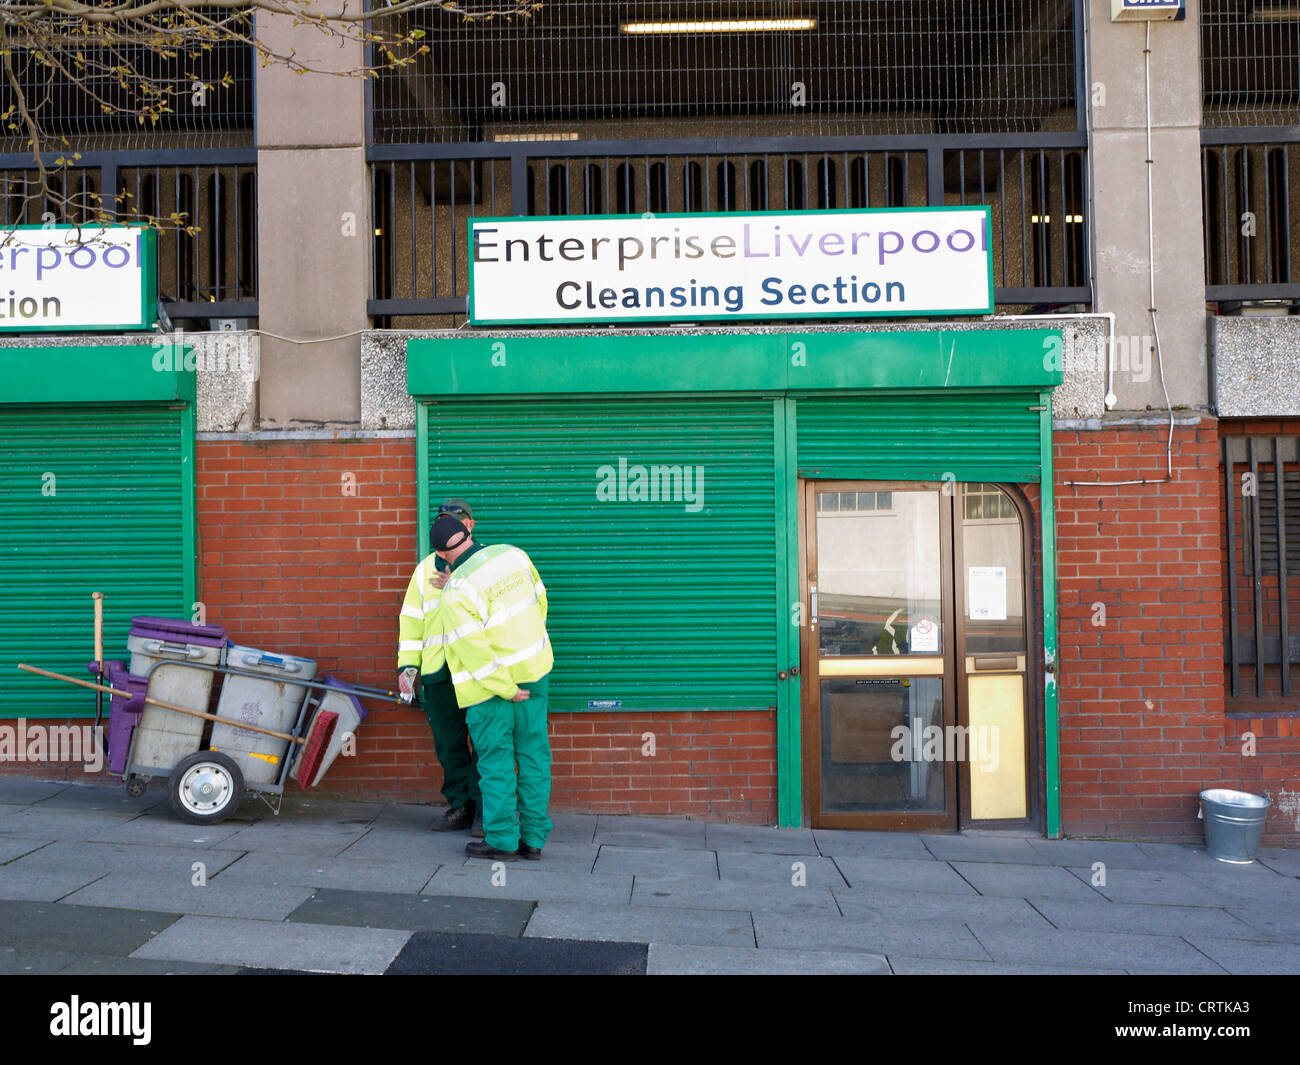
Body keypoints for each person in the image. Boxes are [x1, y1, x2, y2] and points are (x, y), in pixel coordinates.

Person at [431, 513, 553, 862]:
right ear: (467, 533)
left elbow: (473, 650)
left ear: (441, 554)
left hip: (492, 692)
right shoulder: (512, 554)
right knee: (533, 757)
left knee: (496, 762)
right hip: (535, 673)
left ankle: (502, 841)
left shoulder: (455, 591)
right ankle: (533, 840)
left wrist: (505, 686)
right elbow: (540, 603)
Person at [397, 498, 483, 833]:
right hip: (439, 673)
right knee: (449, 744)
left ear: (470, 526)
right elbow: (411, 621)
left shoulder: (484, 566)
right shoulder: (424, 570)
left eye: (458, 521)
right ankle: (461, 806)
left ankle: (485, 809)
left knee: (486, 742)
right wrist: (408, 669)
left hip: (478, 672)